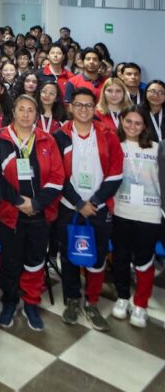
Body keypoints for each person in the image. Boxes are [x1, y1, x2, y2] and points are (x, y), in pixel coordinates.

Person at [0, 95, 65, 331]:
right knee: (11, 262)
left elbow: (57, 177)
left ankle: (31, 302)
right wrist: (17, 201)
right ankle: (10, 302)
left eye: (30, 110)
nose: (25, 114)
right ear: (13, 112)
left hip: (39, 214)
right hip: (9, 213)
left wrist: (36, 204)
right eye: (21, 109)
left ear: (36, 114)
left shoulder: (47, 140)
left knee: (35, 261)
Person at [53, 87, 123, 332]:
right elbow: (57, 175)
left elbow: (116, 173)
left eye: (88, 105)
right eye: (79, 105)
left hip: (99, 208)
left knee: (97, 257)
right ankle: (72, 299)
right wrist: (78, 203)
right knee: (69, 255)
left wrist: (93, 202)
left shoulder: (108, 134)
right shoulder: (60, 136)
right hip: (69, 207)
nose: (83, 109)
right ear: (70, 106)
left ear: (95, 108)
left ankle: (92, 302)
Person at [111, 106, 161, 328]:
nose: (132, 126)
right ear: (122, 122)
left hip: (149, 214)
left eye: (137, 123)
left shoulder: (157, 149)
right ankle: (123, 297)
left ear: (145, 126)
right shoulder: (115, 146)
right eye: (128, 121)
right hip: (122, 211)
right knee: (120, 257)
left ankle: (141, 304)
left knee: (144, 260)